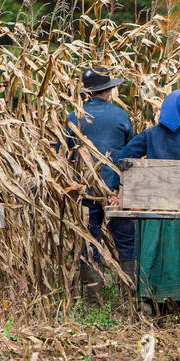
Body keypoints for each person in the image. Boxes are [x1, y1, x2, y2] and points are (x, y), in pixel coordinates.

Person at [112, 90, 180, 320]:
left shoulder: (151, 134)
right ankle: (176, 300)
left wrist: (116, 187)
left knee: (150, 254)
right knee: (177, 257)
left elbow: (125, 158)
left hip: (152, 212)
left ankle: (146, 299)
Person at [65, 68, 136, 303]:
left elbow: (63, 153)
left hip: (84, 189)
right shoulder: (120, 116)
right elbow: (130, 153)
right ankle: (129, 298)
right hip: (115, 190)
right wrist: (117, 187)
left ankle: (95, 301)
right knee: (126, 242)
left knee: (89, 239)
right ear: (108, 90)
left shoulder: (73, 117)